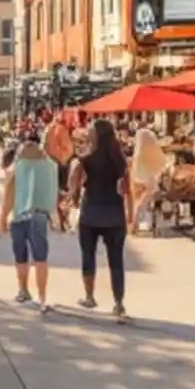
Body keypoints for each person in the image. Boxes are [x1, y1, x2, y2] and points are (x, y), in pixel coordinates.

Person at [69, 118, 134, 323]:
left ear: (95, 136)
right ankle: (119, 303)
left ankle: (89, 296)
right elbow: (127, 189)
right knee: (116, 261)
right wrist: (130, 214)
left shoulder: (86, 159)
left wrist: (72, 196)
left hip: (91, 213)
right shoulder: (120, 161)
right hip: (115, 215)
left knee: (88, 255)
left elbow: (74, 182)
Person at [0, 132, 59, 313]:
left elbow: (9, 193)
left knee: (20, 255)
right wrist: (54, 217)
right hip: (40, 215)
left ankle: (23, 290)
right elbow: (53, 192)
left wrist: (3, 216)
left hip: (19, 215)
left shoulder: (17, 166)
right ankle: (42, 296)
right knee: (40, 257)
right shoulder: (50, 166)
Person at [129, 128, 167, 231]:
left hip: (137, 181)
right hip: (148, 182)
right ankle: (139, 218)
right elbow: (161, 164)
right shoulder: (150, 151)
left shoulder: (138, 153)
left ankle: (134, 222)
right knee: (145, 199)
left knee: (138, 202)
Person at [45, 113, 74, 227]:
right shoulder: (61, 129)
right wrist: (64, 159)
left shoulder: (48, 128)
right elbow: (68, 148)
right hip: (61, 162)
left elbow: (45, 146)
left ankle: (52, 217)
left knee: (52, 190)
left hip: (49, 162)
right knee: (62, 191)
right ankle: (62, 219)